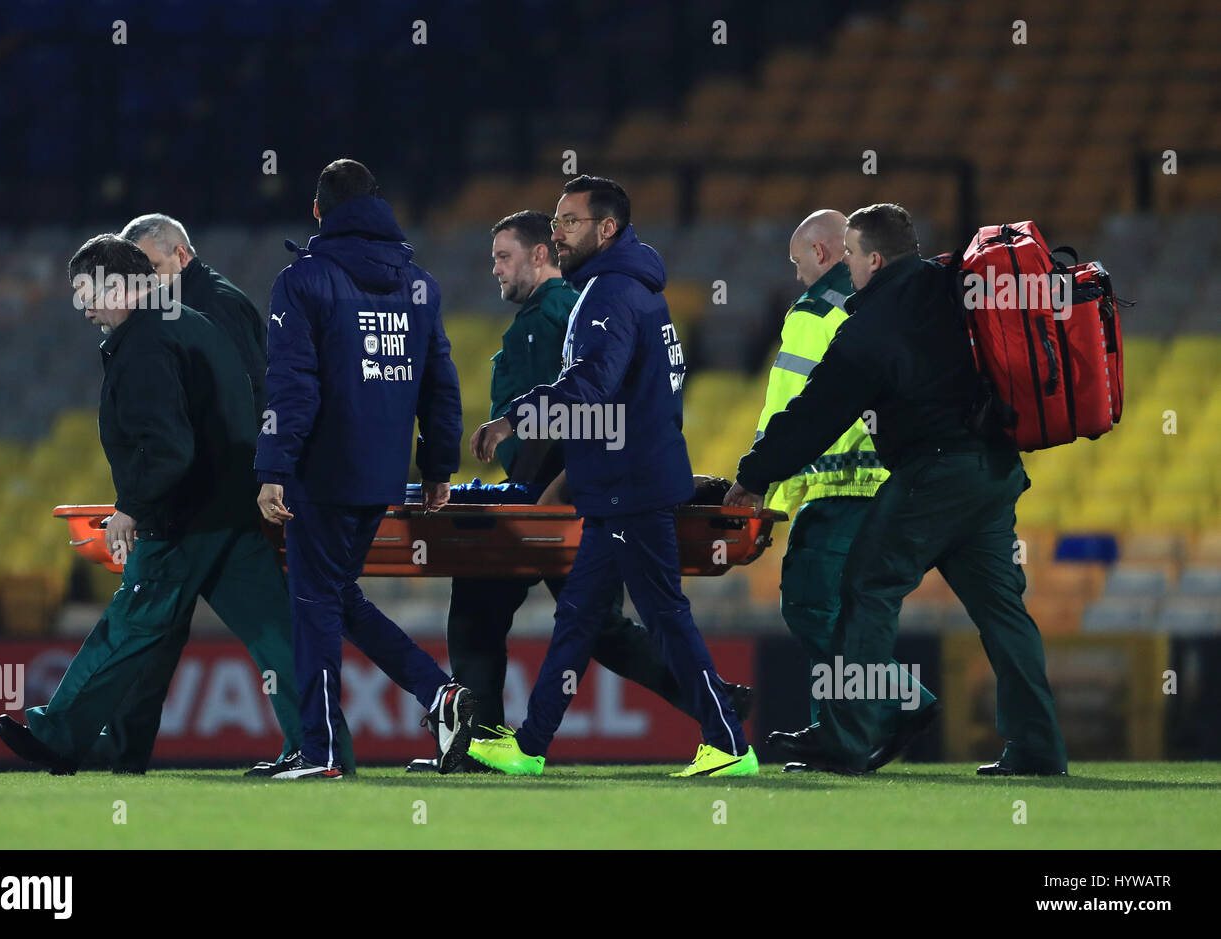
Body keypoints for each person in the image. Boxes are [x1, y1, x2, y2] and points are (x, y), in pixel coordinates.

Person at [727, 203, 1067, 776]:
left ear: (874, 259)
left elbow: (813, 414)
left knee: (866, 589)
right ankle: (1037, 748)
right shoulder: (955, 287)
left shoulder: (873, 325)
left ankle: (848, 739)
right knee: (1003, 612)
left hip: (934, 473)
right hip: (993, 471)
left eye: (853, 257)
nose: (849, 268)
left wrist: (753, 476)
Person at [410, 211, 748, 771]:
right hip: (587, 491)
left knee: (492, 609)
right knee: (586, 622)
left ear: (540, 255)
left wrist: (545, 473)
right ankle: (524, 747)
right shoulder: (591, 302)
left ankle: (722, 723)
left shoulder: (574, 312)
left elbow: (585, 404)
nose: (493, 268)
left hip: (577, 495)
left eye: (504, 256)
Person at [0, 235, 344, 774]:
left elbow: (168, 447)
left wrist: (131, 507)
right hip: (232, 507)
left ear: (121, 284)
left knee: (130, 624)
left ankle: (60, 733)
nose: (82, 304)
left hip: (182, 517)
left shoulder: (145, 343)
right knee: (275, 632)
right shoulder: (186, 321)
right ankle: (322, 749)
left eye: (87, 290)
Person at [254, 159, 475, 779]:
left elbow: (292, 385)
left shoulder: (302, 281)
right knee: (336, 596)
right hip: (381, 473)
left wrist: (273, 467)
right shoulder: (420, 285)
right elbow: (441, 384)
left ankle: (321, 753)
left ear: (318, 211)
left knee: (313, 603)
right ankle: (438, 693)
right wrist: (436, 467)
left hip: (320, 471)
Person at [751, 209, 938, 772]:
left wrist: (765, 494)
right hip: (896, 479)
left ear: (823, 253)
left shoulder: (814, 311)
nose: (797, 275)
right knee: (838, 609)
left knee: (809, 602)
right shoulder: (894, 304)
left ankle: (898, 703)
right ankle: (833, 728)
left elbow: (789, 408)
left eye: (798, 262)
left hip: (842, 485)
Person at [121, 213, 269, 422]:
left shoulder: (215, 304)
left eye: (152, 269)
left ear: (181, 256)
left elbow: (255, 387)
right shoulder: (172, 304)